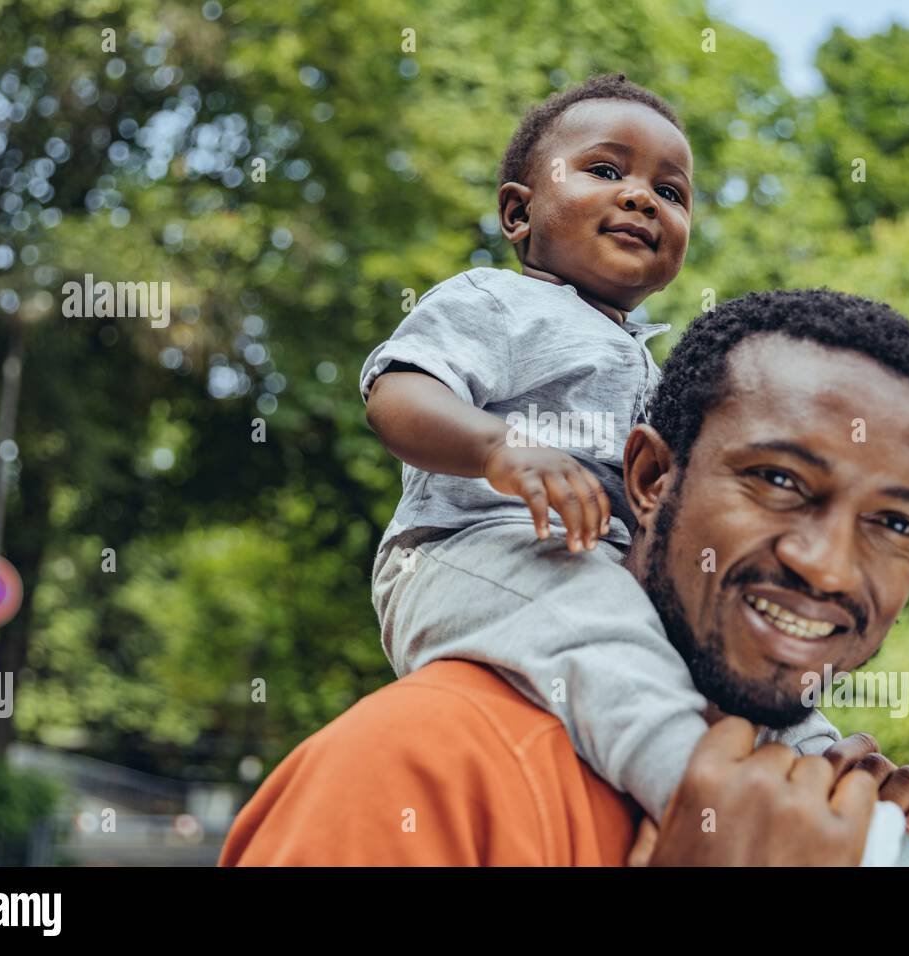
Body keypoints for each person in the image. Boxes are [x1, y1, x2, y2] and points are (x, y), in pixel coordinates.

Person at [220, 289, 909, 866]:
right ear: (650, 477)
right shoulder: (414, 768)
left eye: (894, 524)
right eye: (779, 481)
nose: (828, 565)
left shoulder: (832, 817)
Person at [360, 73, 847, 825]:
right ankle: (699, 800)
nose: (643, 197)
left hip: (605, 569)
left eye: (672, 192)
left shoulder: (657, 370)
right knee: (596, 628)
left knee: (724, 635)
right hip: (469, 549)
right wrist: (498, 447)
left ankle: (838, 780)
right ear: (520, 212)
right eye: (606, 171)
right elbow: (396, 393)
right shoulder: (495, 301)